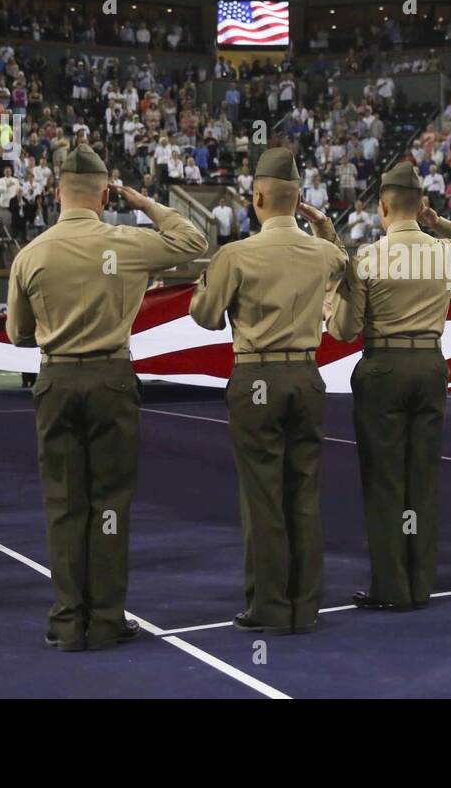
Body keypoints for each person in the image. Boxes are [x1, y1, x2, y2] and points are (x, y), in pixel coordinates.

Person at [7, 146, 208, 651]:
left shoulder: (31, 254)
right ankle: (107, 617)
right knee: (110, 503)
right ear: (104, 195)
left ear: (57, 194)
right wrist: (144, 202)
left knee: (64, 502)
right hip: (112, 380)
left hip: (56, 381)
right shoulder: (128, 241)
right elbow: (193, 239)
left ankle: (68, 619)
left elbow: (16, 334)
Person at [189, 148, 347, 635]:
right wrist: (322, 227)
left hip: (257, 377)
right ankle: (305, 604)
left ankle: (270, 605)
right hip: (306, 374)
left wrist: (202, 287)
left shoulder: (235, 255)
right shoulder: (324, 253)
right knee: (303, 492)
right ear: (299, 199)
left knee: (263, 494)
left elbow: (207, 316)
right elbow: (340, 260)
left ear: (256, 197)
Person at [327, 163, 451, 611]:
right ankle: (420, 583)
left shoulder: (366, 258)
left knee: (384, 481)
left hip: (383, 367)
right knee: (422, 478)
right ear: (419, 207)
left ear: (382, 207)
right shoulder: (442, 251)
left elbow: (344, 331)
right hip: (429, 365)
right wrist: (440, 224)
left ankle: (391, 586)